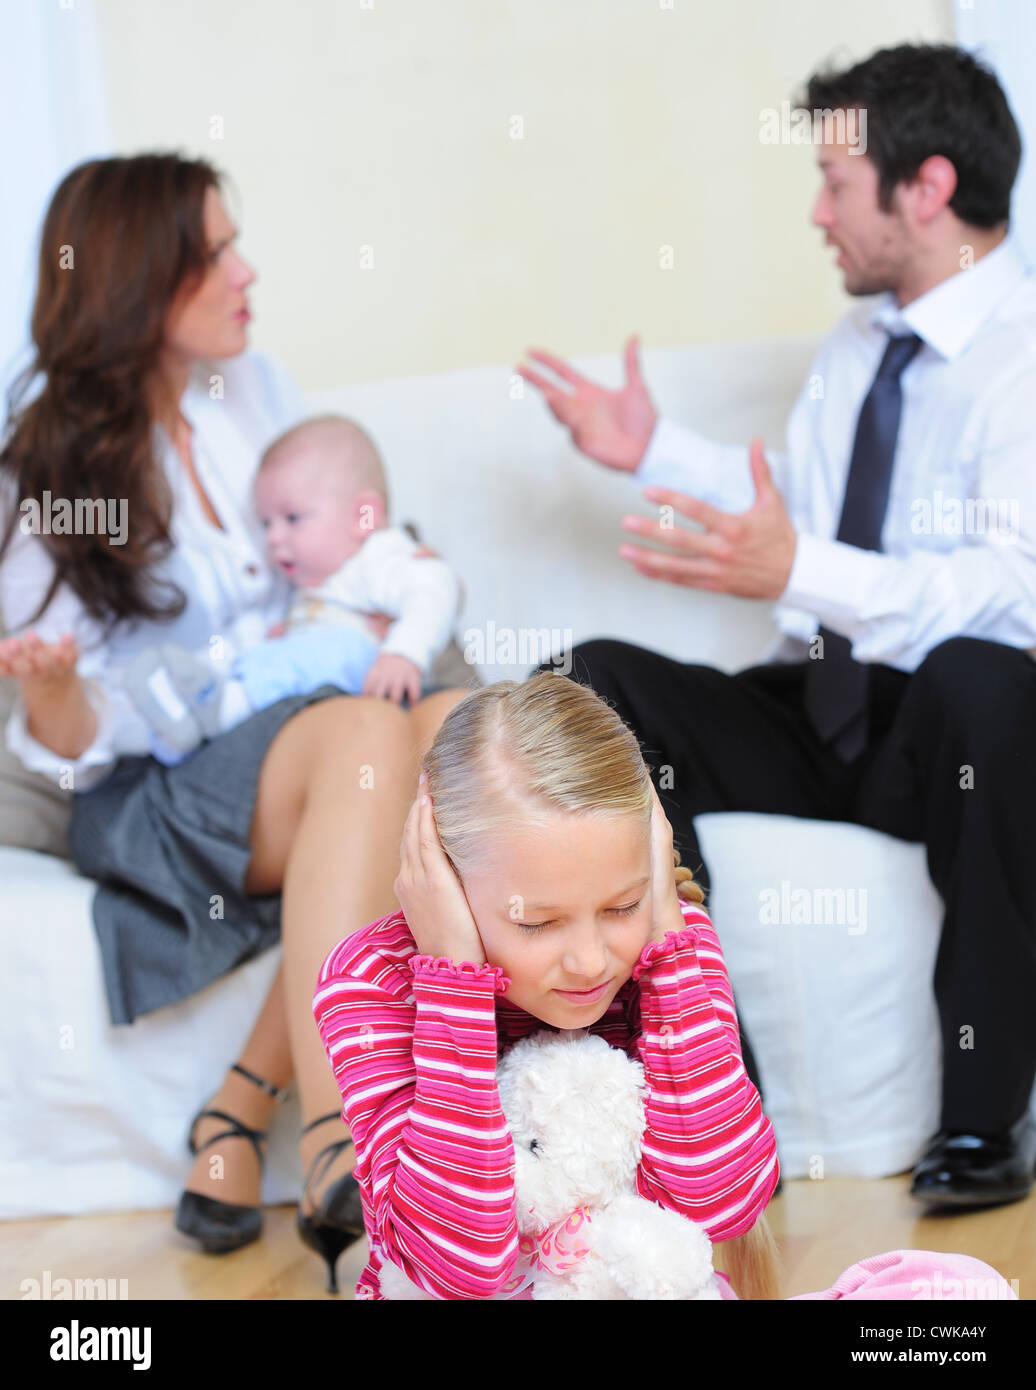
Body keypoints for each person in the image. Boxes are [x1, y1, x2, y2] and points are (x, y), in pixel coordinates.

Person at [517, 43, 1036, 1209]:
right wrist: (651, 451)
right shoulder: (860, 344)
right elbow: (802, 510)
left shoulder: (1023, 356)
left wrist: (799, 564)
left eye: (835, 182)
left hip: (946, 733)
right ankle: (706, 1095)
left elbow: (1011, 585)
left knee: (987, 679)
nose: (816, 212)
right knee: (586, 681)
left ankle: (981, 1119)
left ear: (928, 187)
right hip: (820, 700)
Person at [0, 153, 472, 1278]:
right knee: (369, 736)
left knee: (455, 729)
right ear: (138, 278)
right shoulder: (47, 473)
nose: (245, 270)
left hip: (289, 736)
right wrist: (55, 691)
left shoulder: (254, 389)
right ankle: (337, 1139)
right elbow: (68, 743)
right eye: (215, 252)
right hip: (145, 780)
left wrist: (389, 581)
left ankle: (239, 1103)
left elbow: (325, 566)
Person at [312, 672, 781, 1299]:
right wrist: (455, 984)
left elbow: (721, 1203)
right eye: (538, 922)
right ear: (441, 879)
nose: (590, 963)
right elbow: (459, 1268)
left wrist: (670, 943)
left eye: (622, 906)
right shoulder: (372, 981)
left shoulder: (669, 946)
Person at [122, 413, 464, 761]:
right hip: (330, 714)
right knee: (271, 652)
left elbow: (436, 587)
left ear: (364, 516)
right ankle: (185, 723)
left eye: (292, 518)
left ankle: (222, 707)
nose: (274, 538)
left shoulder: (378, 558)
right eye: (266, 523)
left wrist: (403, 652)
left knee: (337, 648)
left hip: (385, 693)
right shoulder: (316, 579)